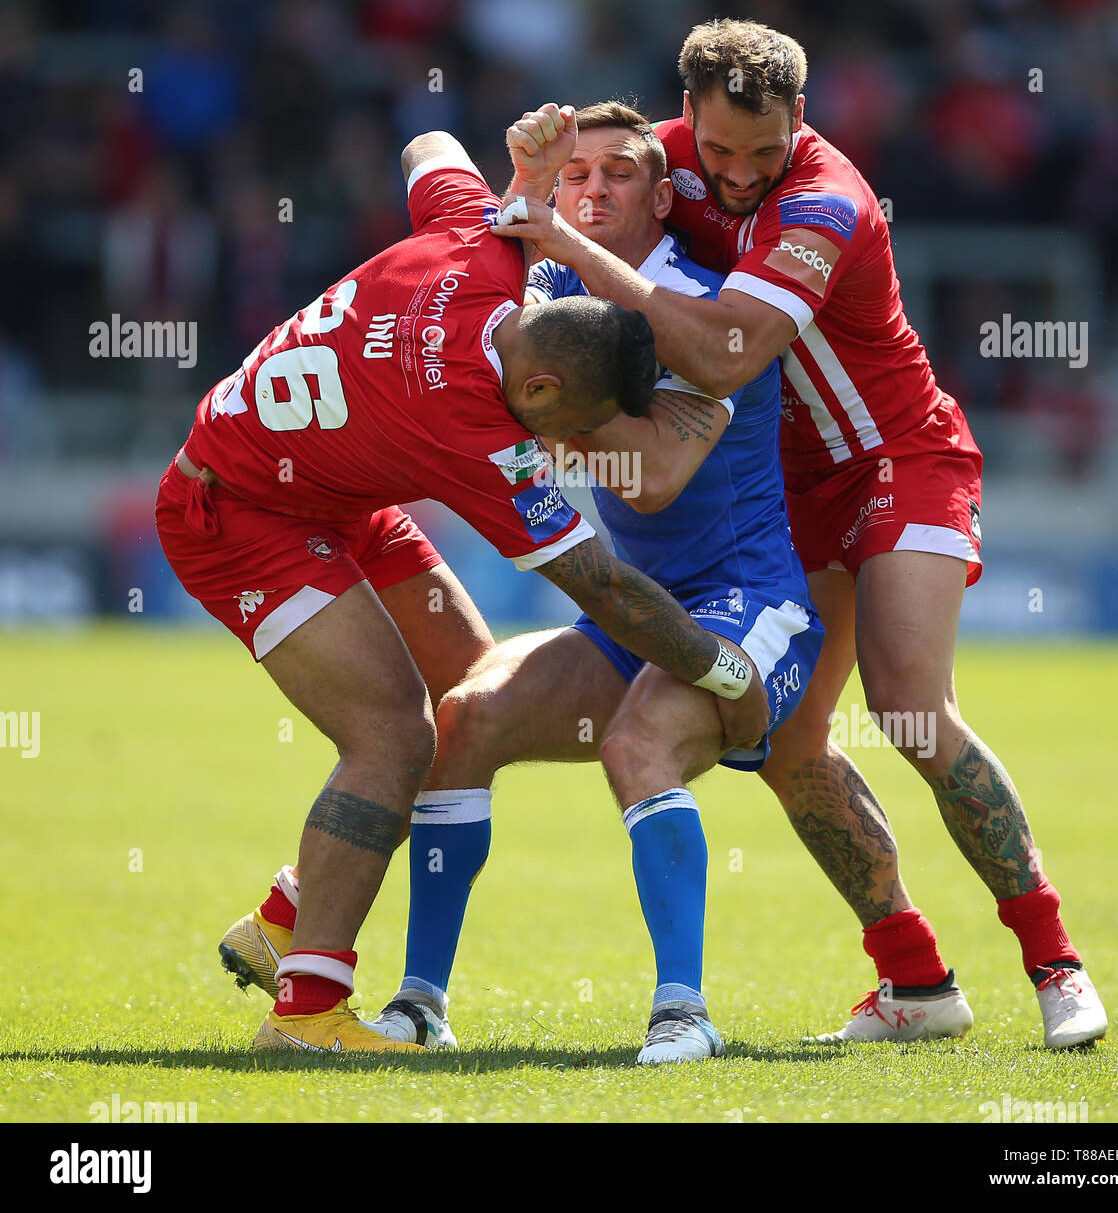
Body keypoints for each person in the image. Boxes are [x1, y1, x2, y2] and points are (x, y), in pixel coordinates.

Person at [494, 23, 1107, 1050]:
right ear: (687, 119)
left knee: (909, 706)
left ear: (800, 122)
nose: (737, 176)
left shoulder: (826, 199)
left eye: (762, 153)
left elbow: (728, 351)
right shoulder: (660, 158)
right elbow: (551, 193)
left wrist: (571, 245)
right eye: (720, 152)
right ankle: (914, 979)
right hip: (792, 484)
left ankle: (1054, 961)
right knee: (786, 738)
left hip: (895, 454)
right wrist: (534, 166)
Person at [154, 127, 769, 1055]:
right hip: (236, 510)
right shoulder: (480, 432)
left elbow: (427, 143)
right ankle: (308, 1015)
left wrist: (523, 170)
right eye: (576, 424)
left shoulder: (481, 237)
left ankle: (288, 913)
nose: (569, 446)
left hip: (327, 491)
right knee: (393, 735)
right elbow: (604, 588)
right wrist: (725, 676)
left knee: (469, 703)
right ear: (545, 384)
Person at [363, 101, 828, 1064]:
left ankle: (684, 1015)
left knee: (637, 741)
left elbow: (654, 482)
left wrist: (527, 404)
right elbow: (445, 239)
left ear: (662, 196)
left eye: (618, 173)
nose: (593, 188)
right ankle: (420, 1005)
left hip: (749, 607)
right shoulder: (545, 283)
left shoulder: (698, 313)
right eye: (576, 176)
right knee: (467, 714)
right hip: (634, 621)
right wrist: (521, 183)